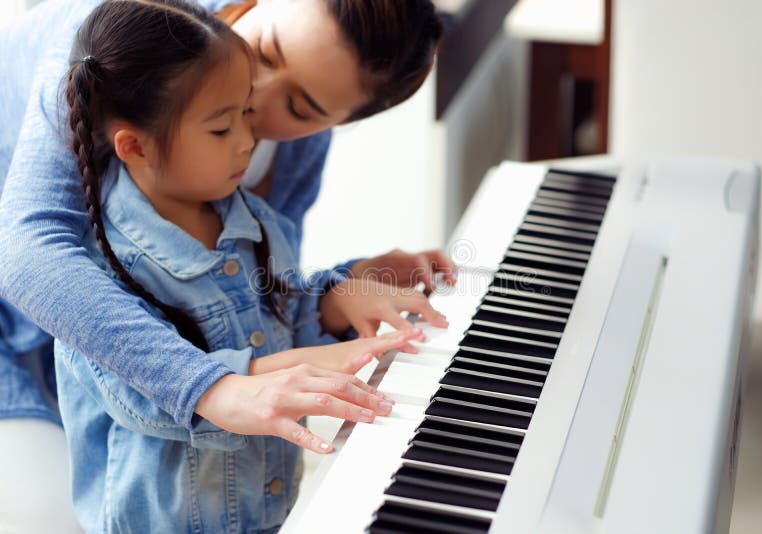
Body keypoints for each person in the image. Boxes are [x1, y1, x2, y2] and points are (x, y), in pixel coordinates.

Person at [0, 0, 451, 530]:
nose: (251, 98)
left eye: (301, 109)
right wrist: (208, 387)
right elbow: (27, 252)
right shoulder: (109, 50)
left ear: (334, 124)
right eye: (265, 51)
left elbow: (259, 311)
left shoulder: (293, 154)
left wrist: (338, 293)